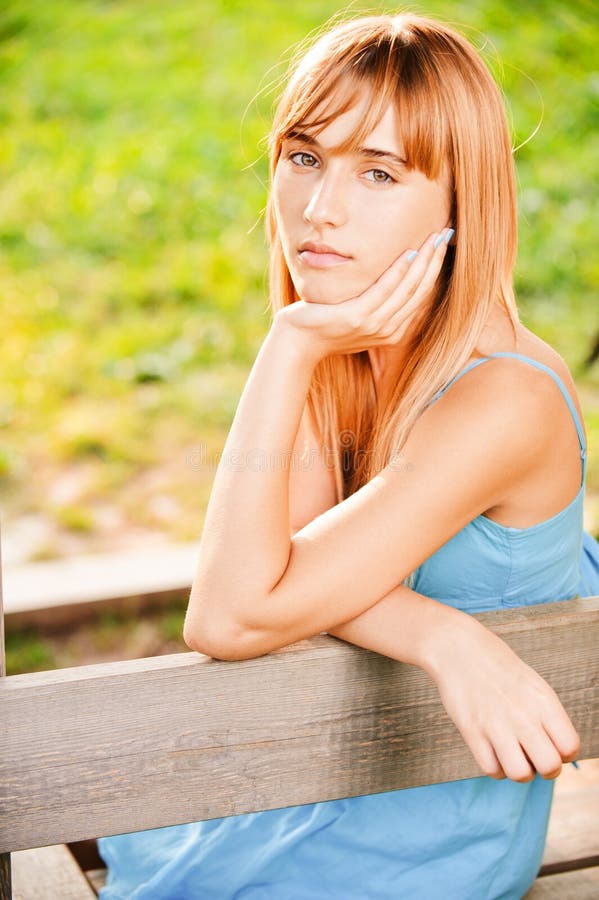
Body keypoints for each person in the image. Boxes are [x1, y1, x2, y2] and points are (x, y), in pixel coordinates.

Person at [98, 11, 599, 899]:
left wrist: (291, 347)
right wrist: (442, 635)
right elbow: (267, 578)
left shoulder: (503, 399)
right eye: (304, 157)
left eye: (378, 172)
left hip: (428, 838)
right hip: (309, 773)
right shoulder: (341, 337)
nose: (320, 207)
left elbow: (230, 617)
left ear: (461, 202)